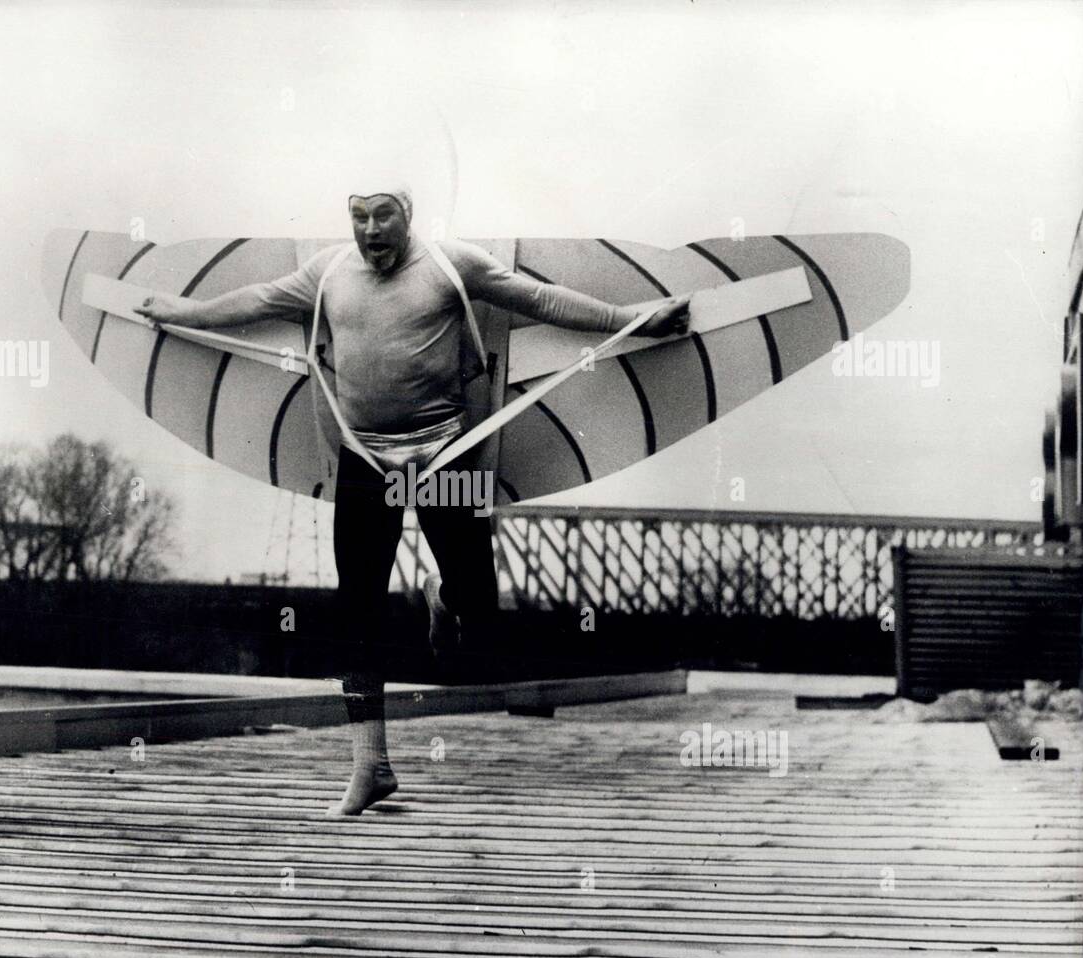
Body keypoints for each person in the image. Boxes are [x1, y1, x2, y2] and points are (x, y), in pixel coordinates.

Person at [138, 181, 689, 815]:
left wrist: (630, 319)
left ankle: (443, 593)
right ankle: (370, 766)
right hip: (366, 459)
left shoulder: (454, 264)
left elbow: (538, 298)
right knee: (357, 615)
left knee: (480, 610)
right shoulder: (328, 273)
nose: (371, 231)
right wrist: (180, 313)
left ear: (409, 216)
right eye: (359, 218)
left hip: (444, 453)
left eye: (384, 217)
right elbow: (258, 301)